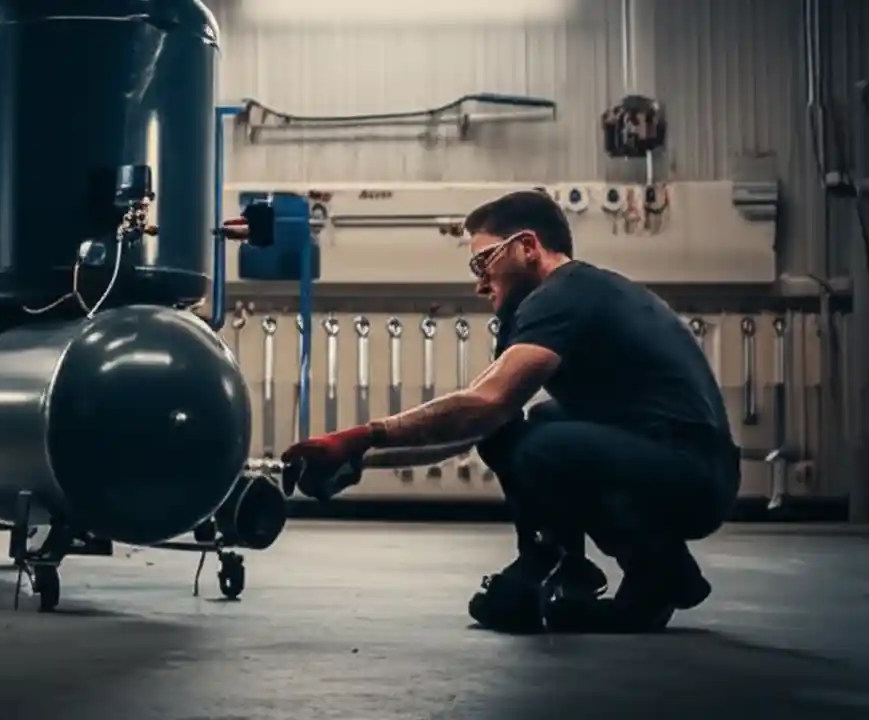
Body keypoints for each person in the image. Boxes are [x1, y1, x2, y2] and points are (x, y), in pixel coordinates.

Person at [280, 190, 740, 634]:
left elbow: (485, 404)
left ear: (527, 247)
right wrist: (360, 459)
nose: (479, 281)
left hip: (694, 472)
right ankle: (616, 569)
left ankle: (621, 572)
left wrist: (361, 436)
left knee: (542, 446)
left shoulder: (565, 293)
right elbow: (475, 422)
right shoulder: (546, 304)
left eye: (484, 261)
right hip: (672, 464)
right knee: (521, 431)